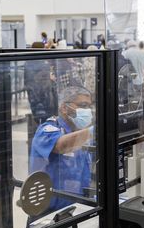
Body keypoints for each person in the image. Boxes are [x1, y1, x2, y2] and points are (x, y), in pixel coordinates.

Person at [30, 86, 95, 214]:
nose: (88, 111)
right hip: (49, 212)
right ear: (64, 108)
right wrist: (95, 131)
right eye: (83, 105)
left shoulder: (82, 133)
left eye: (89, 106)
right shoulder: (47, 130)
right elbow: (61, 146)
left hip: (79, 207)